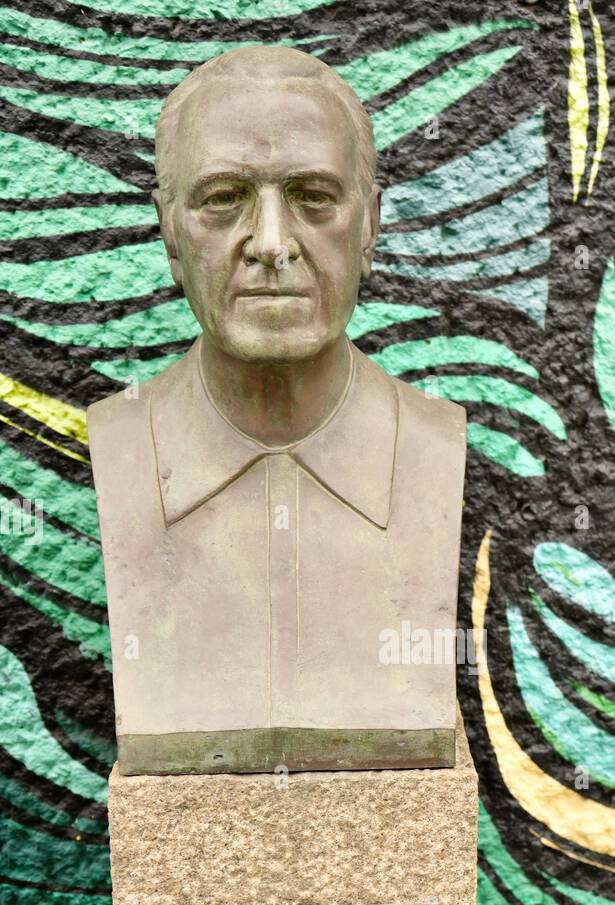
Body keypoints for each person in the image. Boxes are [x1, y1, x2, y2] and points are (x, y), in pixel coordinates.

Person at [87, 46, 466, 775]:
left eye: (314, 196)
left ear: (370, 226)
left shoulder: (432, 448)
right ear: (170, 231)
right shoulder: (123, 445)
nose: (270, 244)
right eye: (223, 198)